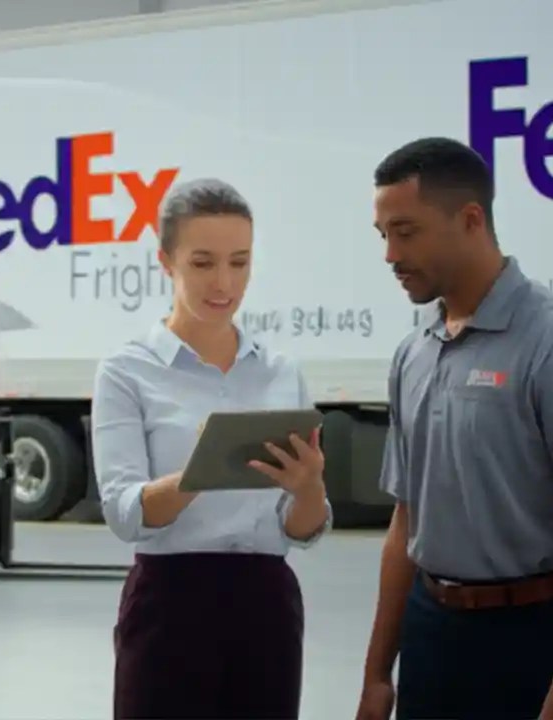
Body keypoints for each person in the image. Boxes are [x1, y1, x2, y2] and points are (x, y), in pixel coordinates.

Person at [355, 138, 553, 720]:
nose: (389, 254)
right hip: (431, 634)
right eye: (382, 234)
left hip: (535, 638)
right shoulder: (413, 353)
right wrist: (378, 674)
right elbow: (406, 521)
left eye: (406, 232)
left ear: (470, 220)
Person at [90, 178, 332, 720]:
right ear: (165, 261)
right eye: (202, 263)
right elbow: (124, 513)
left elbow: (303, 529)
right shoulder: (127, 371)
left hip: (267, 604)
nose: (224, 282)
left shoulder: (281, 372)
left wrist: (309, 488)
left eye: (239, 263)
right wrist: (199, 473)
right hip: (169, 603)